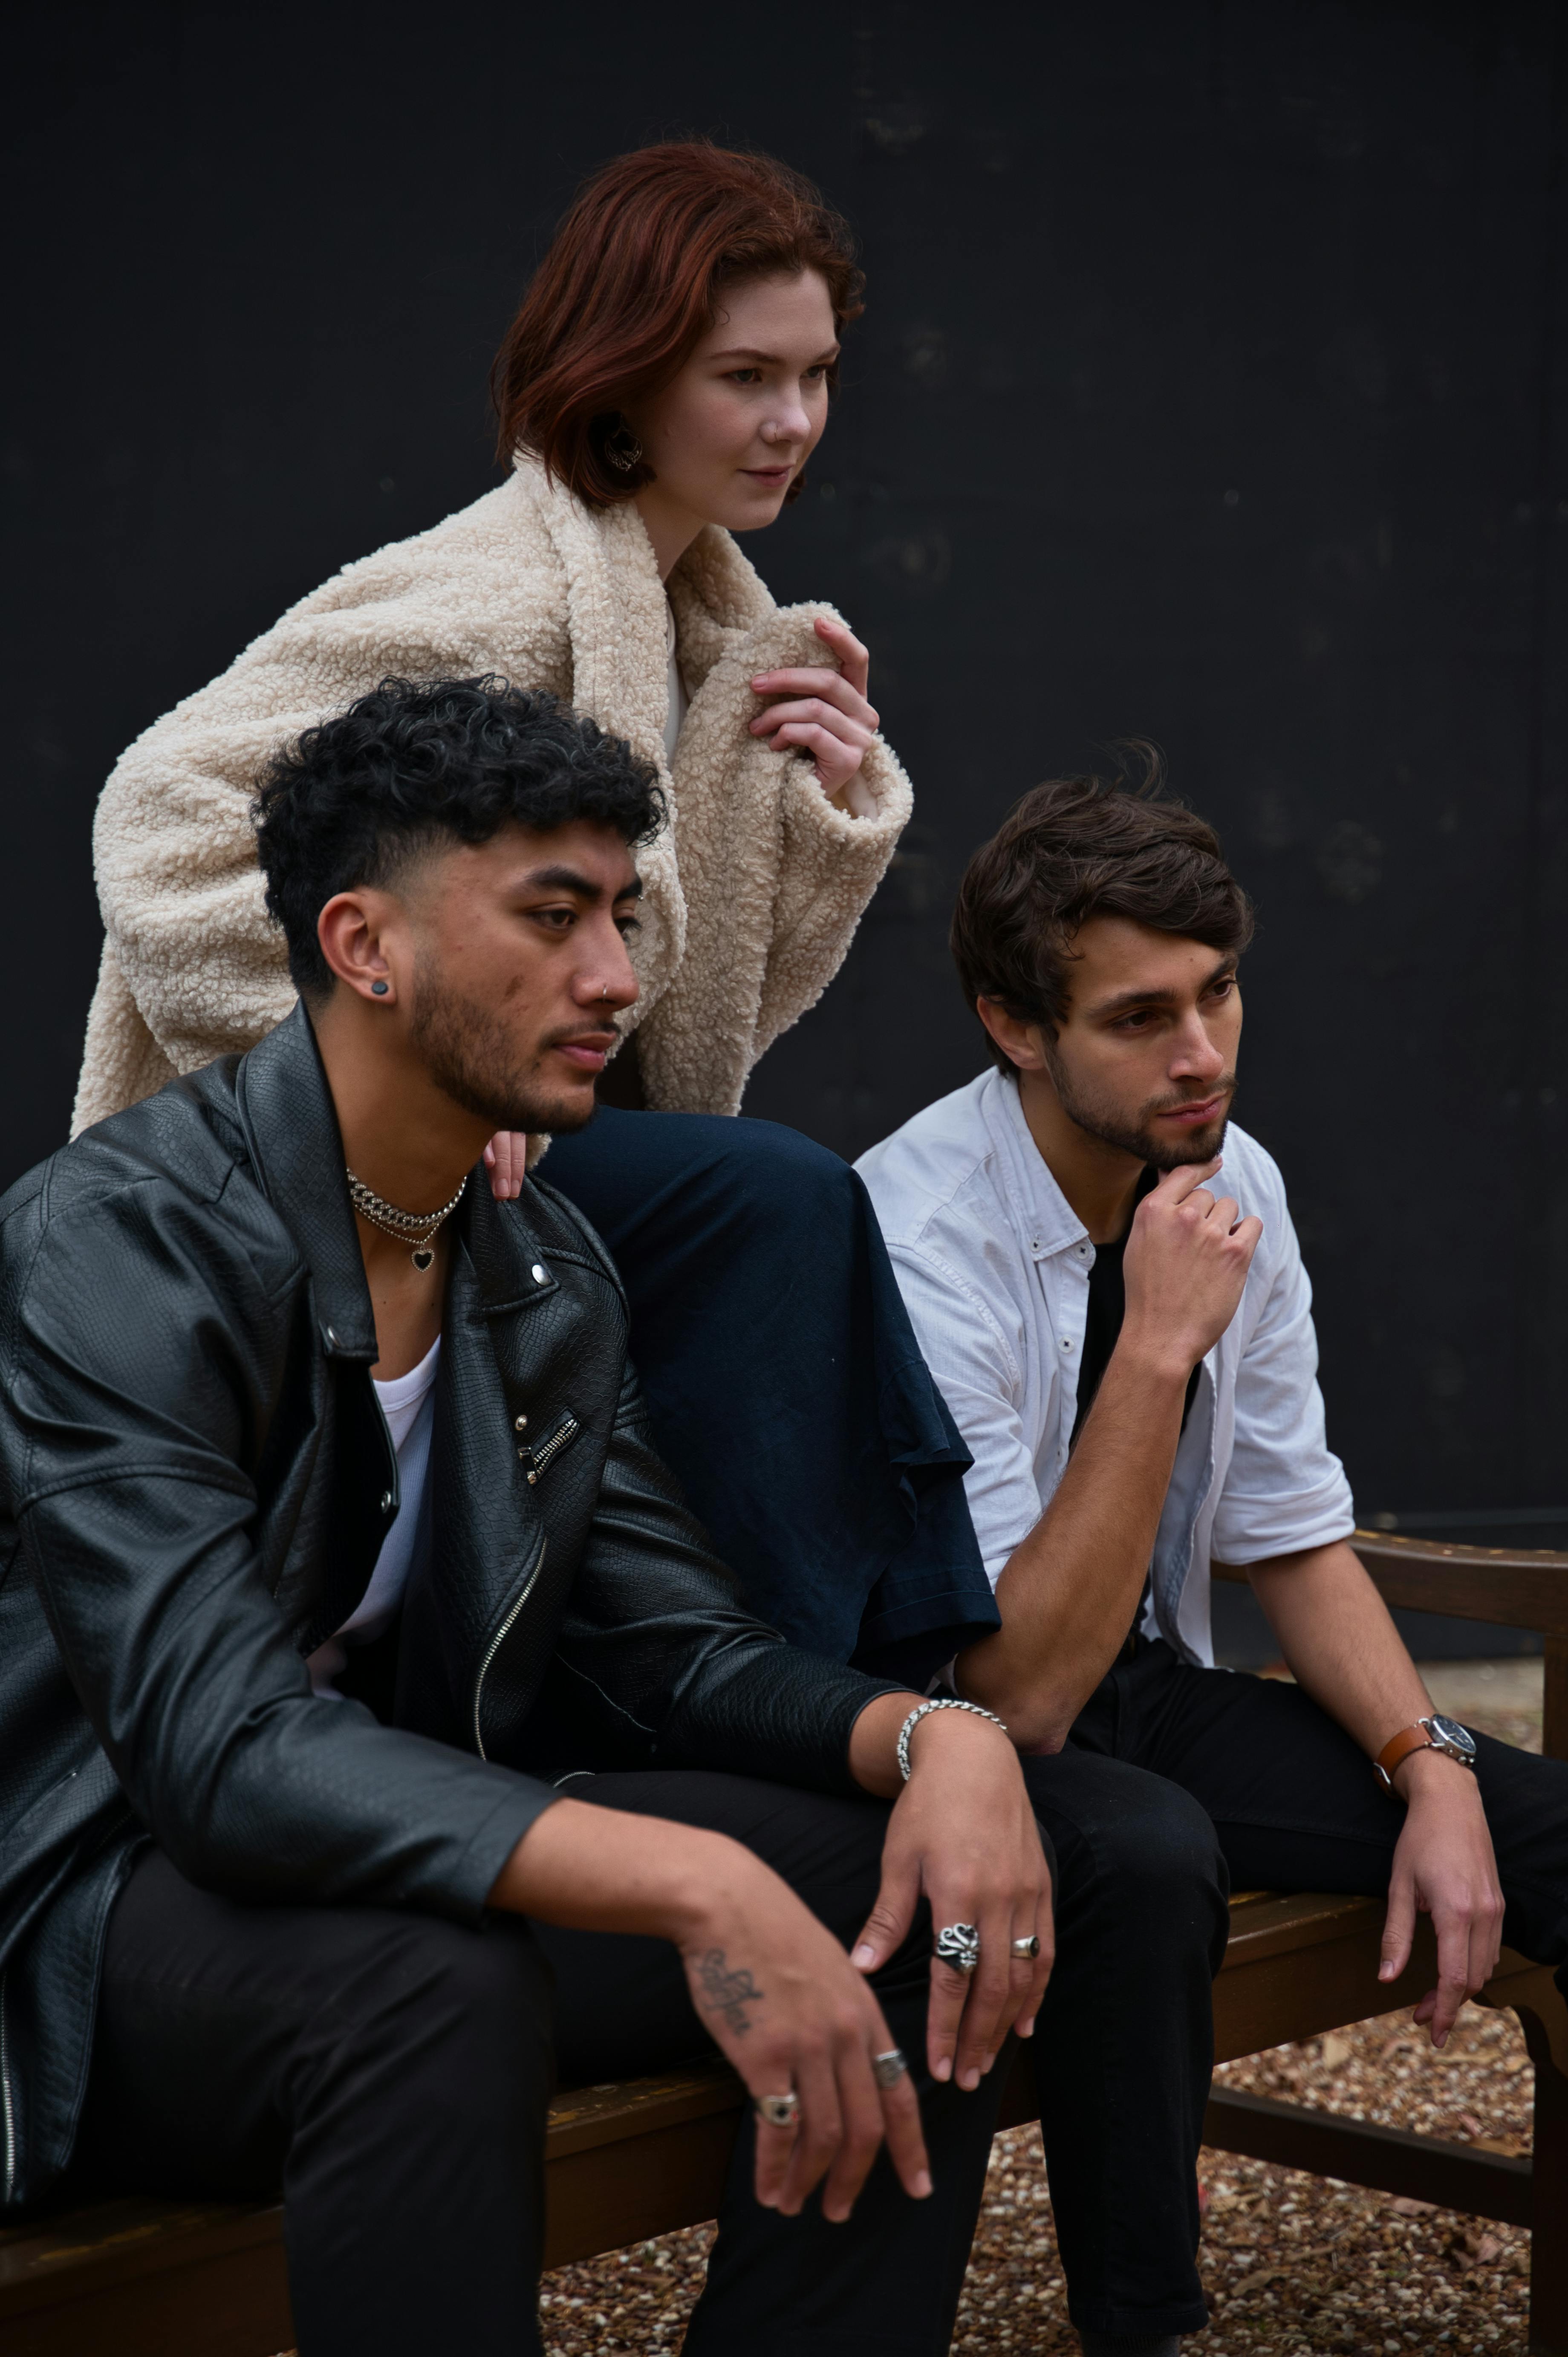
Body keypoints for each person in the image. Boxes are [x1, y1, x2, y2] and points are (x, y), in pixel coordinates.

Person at [0, 678, 1055, 2357]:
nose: (618, 981)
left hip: (385, 1859)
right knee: (434, 1998)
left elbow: (672, 1643)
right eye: (552, 920)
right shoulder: (119, 1242)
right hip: (90, 1903)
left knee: (922, 1892)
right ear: (365, 945)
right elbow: (218, 1748)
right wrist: (691, 1879)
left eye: (622, 918)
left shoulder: (541, 1265)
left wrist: (934, 1742)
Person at [73, 138, 995, 1685]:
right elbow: (158, 820)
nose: (792, 423)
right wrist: (419, 1072)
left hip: (523, 1150)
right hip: (314, 1170)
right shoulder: (499, 591)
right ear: (625, 379)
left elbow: (681, 1018)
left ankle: (833, 1684)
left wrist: (816, 819)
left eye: (819, 375)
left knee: (755, 1210)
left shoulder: (719, 623)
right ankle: (836, 1691)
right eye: (744, 376)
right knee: (782, 1204)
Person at [857, 768, 1568, 2293]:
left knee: (1546, 1824)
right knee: (1153, 1853)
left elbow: (1292, 1530)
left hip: (1142, 1679)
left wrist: (1427, 1763)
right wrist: (1157, 1345)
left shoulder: (1235, 1171)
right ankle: (1145, 2318)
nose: (1203, 1056)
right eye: (1139, 1018)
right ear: (1014, 1024)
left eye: (1221, 993)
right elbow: (1021, 1690)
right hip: (930, 1717)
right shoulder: (916, 1241)